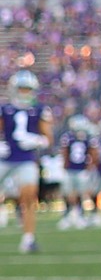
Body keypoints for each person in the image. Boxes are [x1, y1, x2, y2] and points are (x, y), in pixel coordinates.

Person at [0, 70, 51, 253]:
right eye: (21, 88)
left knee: (29, 197)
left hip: (26, 159)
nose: (24, 92)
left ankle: (28, 238)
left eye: (27, 89)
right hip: (5, 158)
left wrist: (37, 140)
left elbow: (48, 138)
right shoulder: (5, 108)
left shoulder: (39, 109)